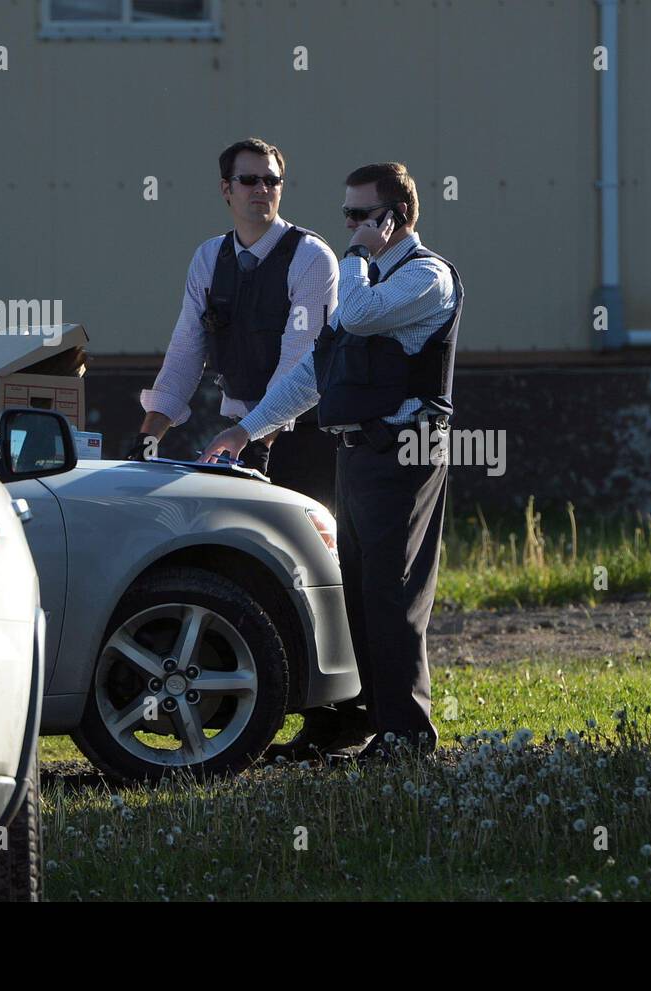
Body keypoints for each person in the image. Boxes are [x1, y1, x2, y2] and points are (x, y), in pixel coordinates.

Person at [201, 162, 463, 763]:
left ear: (396, 216)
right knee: (362, 595)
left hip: (405, 451)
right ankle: (370, 723)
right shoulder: (370, 281)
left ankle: (407, 734)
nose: (349, 226)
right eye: (345, 214)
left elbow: (356, 316)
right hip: (359, 453)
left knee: (393, 593)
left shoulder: (425, 278)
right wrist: (244, 429)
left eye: (361, 215)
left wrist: (354, 255)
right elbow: (315, 374)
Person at [125, 137, 338, 476]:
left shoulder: (311, 258)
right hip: (241, 435)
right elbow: (185, 354)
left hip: (304, 434)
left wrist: (255, 440)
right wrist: (145, 443)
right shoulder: (209, 258)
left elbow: (300, 365)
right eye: (249, 180)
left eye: (272, 180)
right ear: (226, 188)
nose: (262, 189)